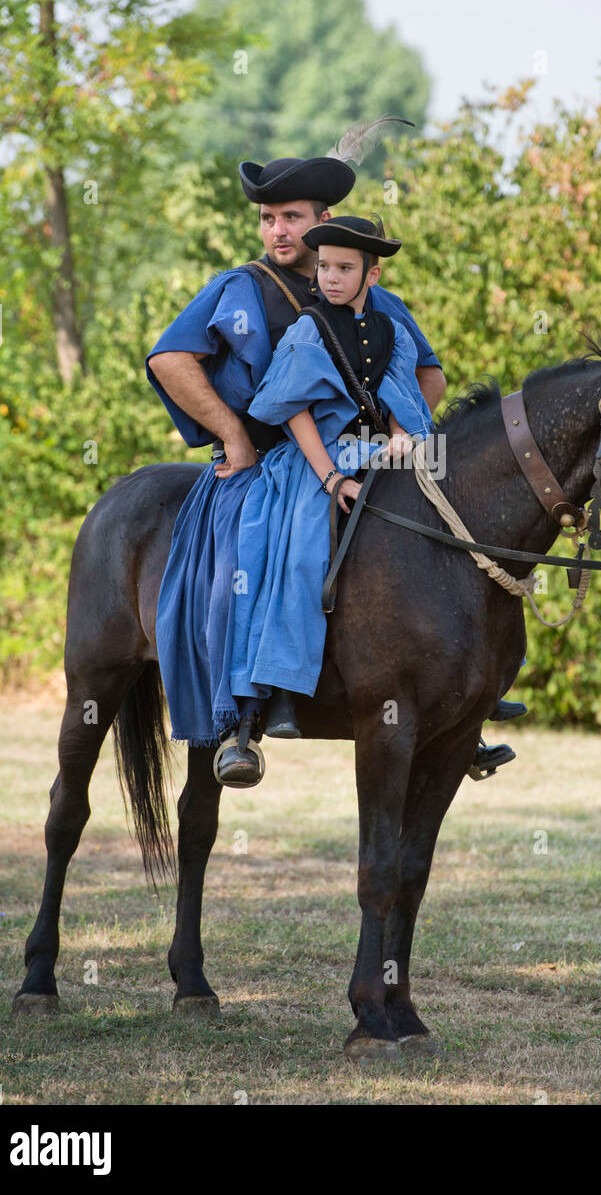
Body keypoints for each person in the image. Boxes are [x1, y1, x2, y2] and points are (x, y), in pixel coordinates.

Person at [217, 215, 432, 785]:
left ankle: (464, 697)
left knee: (443, 526)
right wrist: (332, 479)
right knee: (301, 549)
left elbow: (405, 401)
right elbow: (292, 410)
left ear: (371, 271)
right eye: (325, 268)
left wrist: (404, 439)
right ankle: (277, 694)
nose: (330, 278)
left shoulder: (393, 329)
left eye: (344, 268)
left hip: (378, 456)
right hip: (312, 462)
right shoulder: (309, 329)